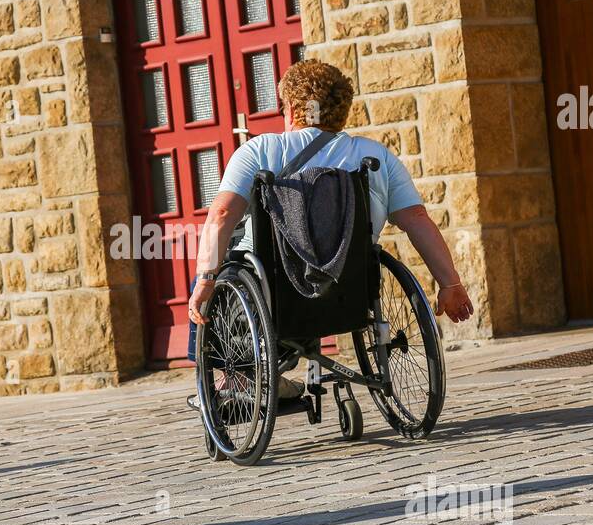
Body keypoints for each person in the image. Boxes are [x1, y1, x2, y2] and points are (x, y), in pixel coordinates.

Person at [187, 60, 474, 401]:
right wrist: (450, 284)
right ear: (341, 111)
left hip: (273, 294)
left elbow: (221, 214)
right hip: (348, 293)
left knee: (219, 268)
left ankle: (240, 379)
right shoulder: (375, 157)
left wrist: (205, 280)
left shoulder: (261, 151)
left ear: (292, 109)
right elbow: (416, 220)